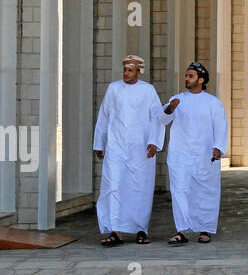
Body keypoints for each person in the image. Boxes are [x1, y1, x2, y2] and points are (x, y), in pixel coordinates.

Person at [92, 55, 164, 246]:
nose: (126, 73)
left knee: (139, 188)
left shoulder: (148, 90)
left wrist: (154, 142)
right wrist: (99, 143)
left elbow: (157, 117)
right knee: (113, 186)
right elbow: (104, 116)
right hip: (116, 147)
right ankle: (115, 232)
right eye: (125, 69)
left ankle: (141, 229)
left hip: (140, 150)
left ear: (139, 72)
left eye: (130, 70)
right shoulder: (113, 89)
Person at [159, 61, 228, 245]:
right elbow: (162, 119)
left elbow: (221, 127)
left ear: (201, 80)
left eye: (190, 76)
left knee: (204, 191)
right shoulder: (178, 99)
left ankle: (205, 229)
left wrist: (218, 147)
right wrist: (170, 108)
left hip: (204, 155)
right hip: (180, 155)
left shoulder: (213, 103)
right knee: (180, 191)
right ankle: (181, 231)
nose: (186, 79)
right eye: (186, 75)